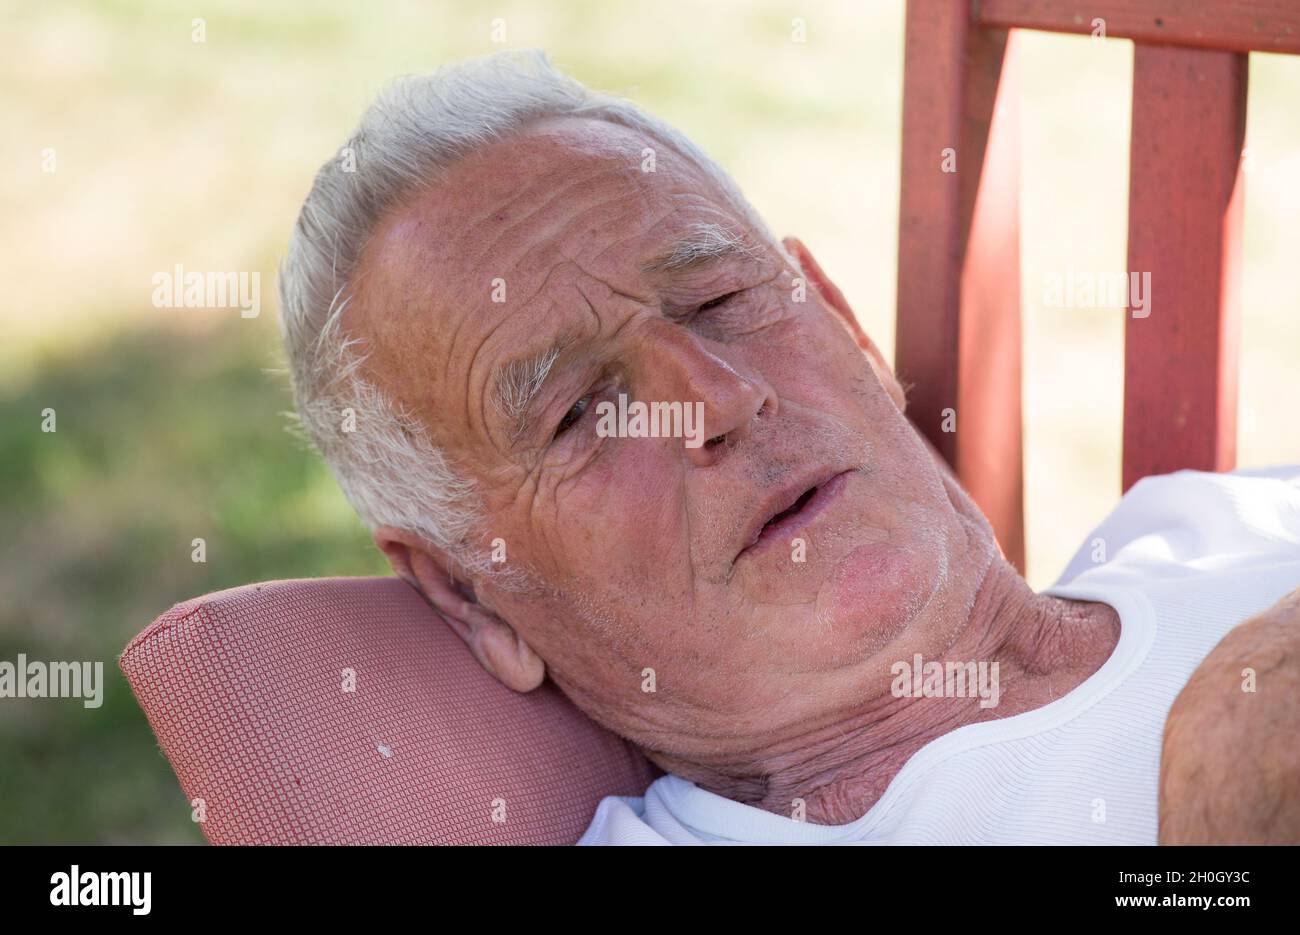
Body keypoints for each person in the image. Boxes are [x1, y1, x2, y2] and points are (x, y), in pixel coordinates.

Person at [277, 50, 1300, 844]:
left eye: (722, 301)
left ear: (846, 322)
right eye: (579, 411)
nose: (718, 398)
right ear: (472, 595)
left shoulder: (1203, 520)